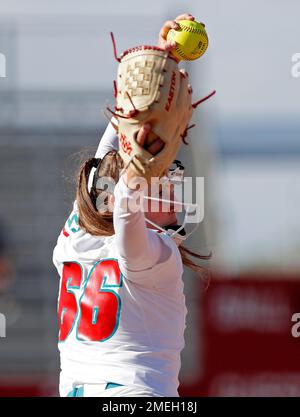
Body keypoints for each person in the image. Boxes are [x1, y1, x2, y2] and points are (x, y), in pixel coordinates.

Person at [53, 13, 209, 397]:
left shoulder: (78, 234)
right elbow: (123, 208)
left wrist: (166, 57)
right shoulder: (155, 255)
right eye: (165, 179)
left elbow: (107, 159)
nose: (173, 189)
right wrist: (139, 168)